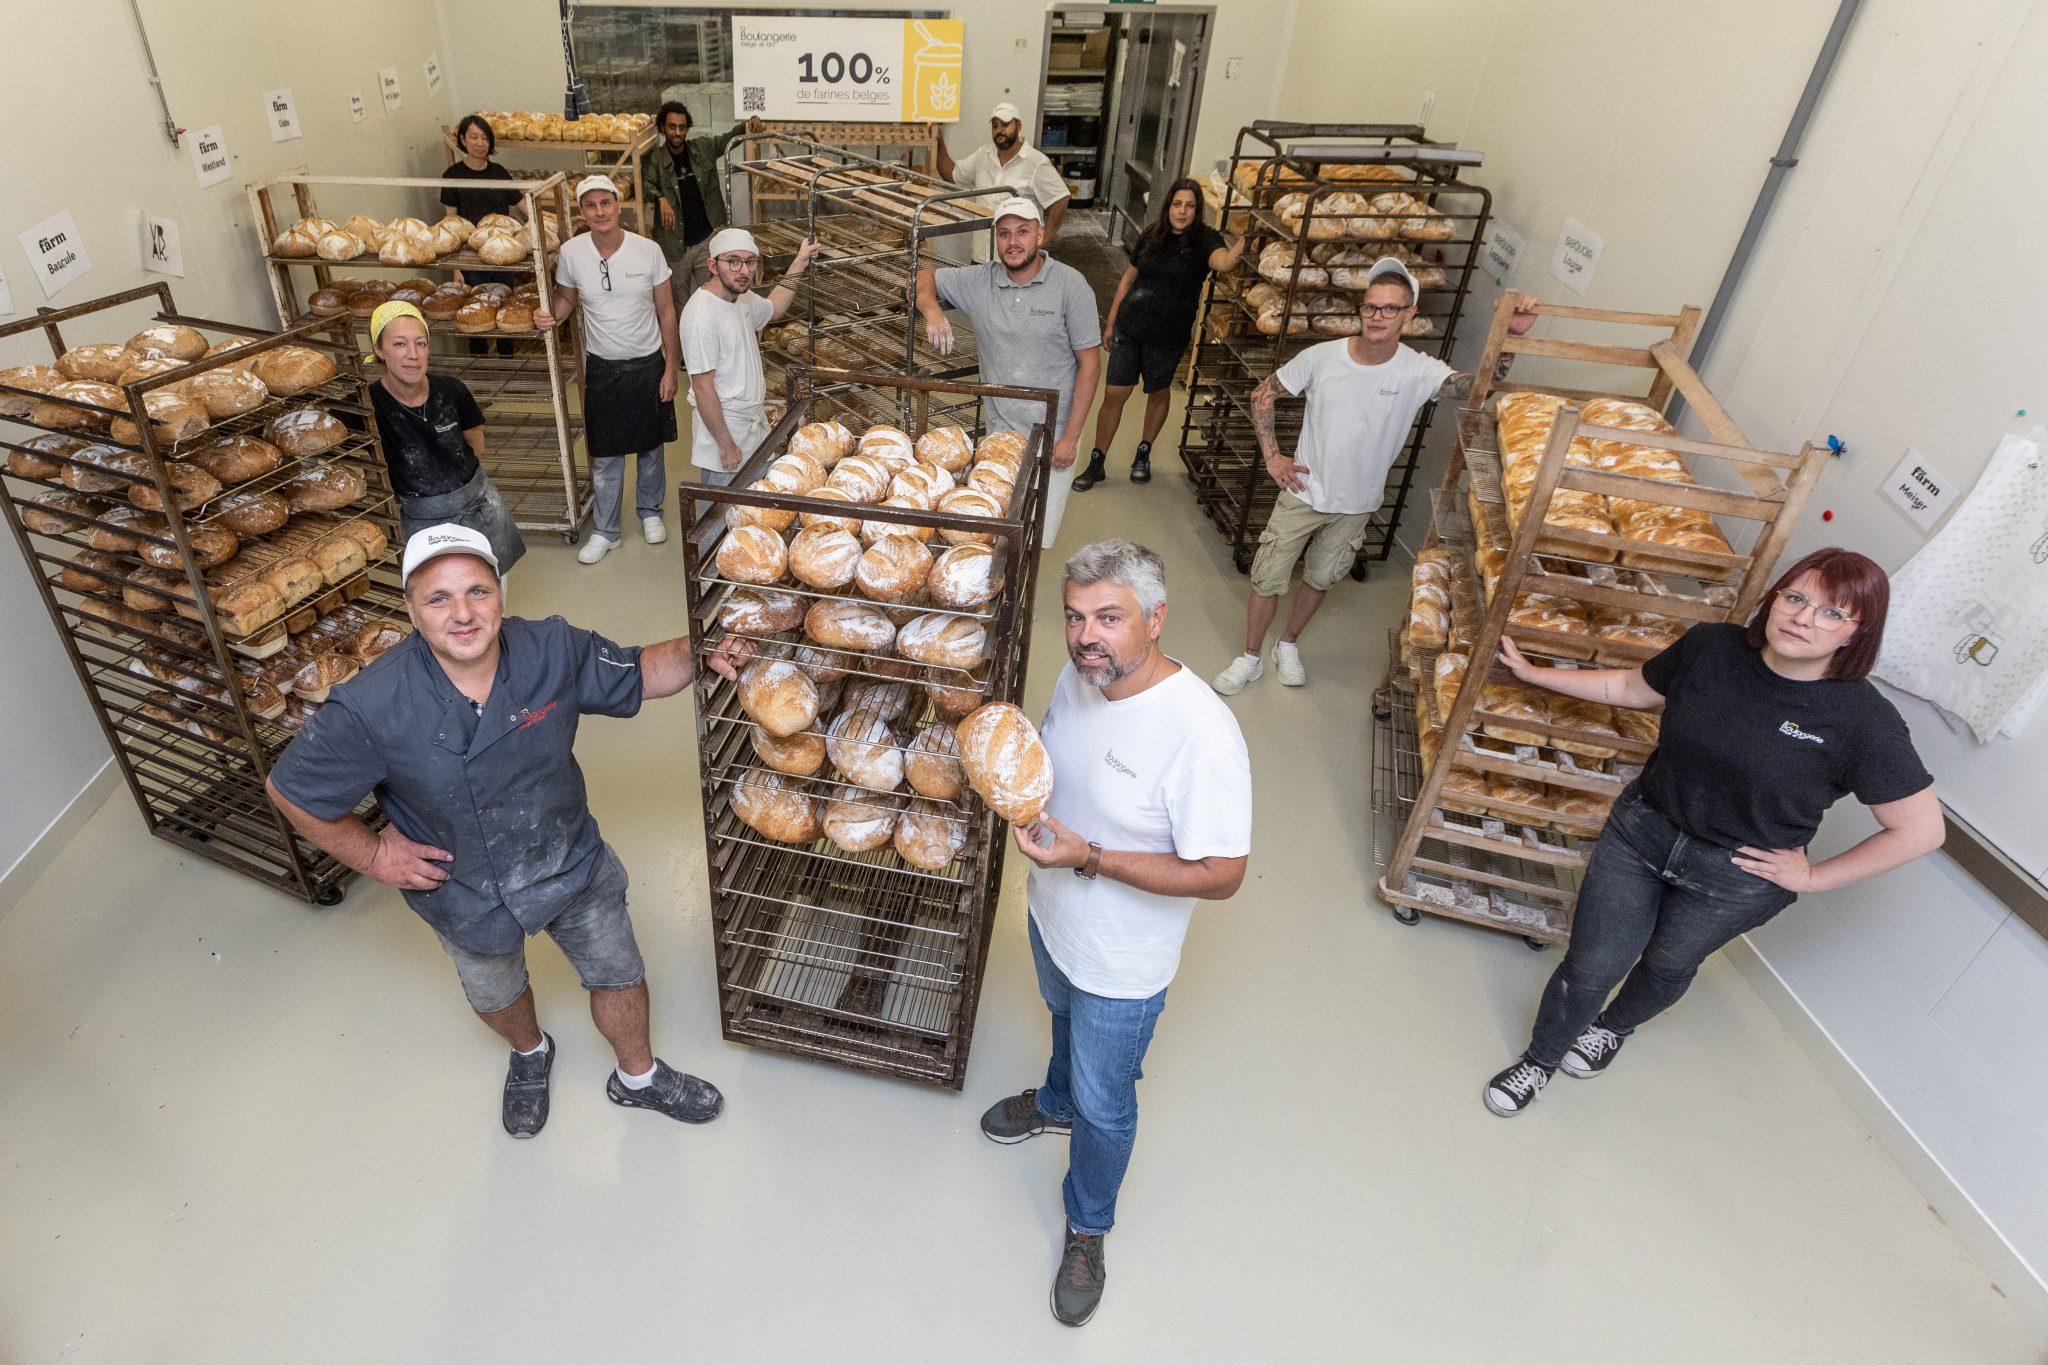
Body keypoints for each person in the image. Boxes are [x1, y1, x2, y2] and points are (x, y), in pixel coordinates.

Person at [266, 525, 749, 1138]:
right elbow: (290, 790)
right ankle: (529, 1054)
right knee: (496, 990)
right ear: (411, 609)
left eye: (478, 591)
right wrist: (375, 855)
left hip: (568, 856)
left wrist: (701, 648)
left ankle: (638, 1076)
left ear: (500, 593)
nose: (463, 613)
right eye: (438, 598)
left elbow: (637, 670)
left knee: (619, 970)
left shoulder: (550, 648)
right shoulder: (370, 704)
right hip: (463, 886)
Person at [1481, 548, 1944, 1117]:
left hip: (1736, 877)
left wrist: (1813, 877)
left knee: (1667, 964)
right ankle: (1540, 1061)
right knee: (1592, 964)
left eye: (1831, 613)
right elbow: (1633, 688)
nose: (1802, 618)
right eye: (1795, 598)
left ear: (1856, 634)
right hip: (1642, 833)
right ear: (1775, 599)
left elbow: (1920, 830)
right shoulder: (1713, 648)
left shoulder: (1863, 722)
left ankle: (1613, 1028)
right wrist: (1534, 674)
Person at [995, 539, 1252, 1326]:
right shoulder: (1082, 678)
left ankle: (1088, 1225)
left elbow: (1223, 872)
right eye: (1075, 617)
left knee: (1110, 1102)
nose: (1085, 636)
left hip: (1122, 961)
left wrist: (1093, 857)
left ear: (1156, 617)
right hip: (1052, 914)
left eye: (1109, 617)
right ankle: (1054, 1099)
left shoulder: (1200, 734)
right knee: (1060, 1019)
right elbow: (1048, 760)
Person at [1211, 268, 1535, 694]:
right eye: (1370, 306)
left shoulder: (1418, 371)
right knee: (1267, 577)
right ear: (1361, 308)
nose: (1377, 315)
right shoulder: (1323, 357)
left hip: (1358, 503)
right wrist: (1273, 456)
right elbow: (1262, 394)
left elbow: (1479, 389)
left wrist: (1510, 336)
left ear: (1408, 313)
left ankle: (1287, 645)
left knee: (1320, 578)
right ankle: (1250, 656)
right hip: (1303, 492)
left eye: (1390, 308)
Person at [915, 197, 1100, 546]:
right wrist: (932, 309)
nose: (1013, 242)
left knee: (1035, 536)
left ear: (1040, 235)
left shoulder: (1071, 286)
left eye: (1022, 231)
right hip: (1000, 435)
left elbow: (1090, 366)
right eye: (1004, 233)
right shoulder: (981, 280)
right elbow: (925, 276)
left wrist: (1071, 438)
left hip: (1051, 434)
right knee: (999, 531)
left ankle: (1022, 596)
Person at [534, 175, 681, 565]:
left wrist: (671, 369)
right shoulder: (571, 252)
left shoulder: (647, 251)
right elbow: (567, 298)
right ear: (582, 213)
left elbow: (667, 311)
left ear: (618, 206)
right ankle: (606, 530)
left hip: (648, 362)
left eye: (606, 203)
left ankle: (650, 512)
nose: (599, 211)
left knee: (651, 446)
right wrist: (551, 315)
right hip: (602, 367)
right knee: (604, 455)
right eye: (591, 205)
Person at [1072, 178, 1243, 491]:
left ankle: (1143, 453)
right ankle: (1097, 462)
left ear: (1197, 210)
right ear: (1169, 206)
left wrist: (1249, 235)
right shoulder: (1153, 234)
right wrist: (1110, 322)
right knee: (1114, 394)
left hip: (1168, 334)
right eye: (1177, 204)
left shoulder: (1205, 240)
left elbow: (1226, 262)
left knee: (1158, 391)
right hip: (1131, 325)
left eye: (1189, 206)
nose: (1182, 211)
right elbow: (1127, 279)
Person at [365, 301, 526, 576]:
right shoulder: (368, 405)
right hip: (424, 523)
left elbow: (476, 445)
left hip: (480, 511)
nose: (413, 355)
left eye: (421, 343)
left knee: (490, 598)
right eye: (400, 344)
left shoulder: (452, 391)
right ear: (379, 350)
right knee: (440, 602)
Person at [680, 227, 821, 490]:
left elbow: (774, 307)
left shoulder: (740, 299)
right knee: (719, 523)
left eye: (750, 262)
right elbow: (702, 387)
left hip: (753, 429)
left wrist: (799, 261)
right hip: (726, 432)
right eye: (733, 261)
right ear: (712, 265)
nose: (744, 271)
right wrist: (726, 444)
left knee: (753, 514)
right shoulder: (702, 317)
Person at [643, 102, 766, 306]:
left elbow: (729, 139)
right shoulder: (655, 159)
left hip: (706, 242)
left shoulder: (702, 148)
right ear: (663, 128)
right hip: (675, 248)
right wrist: (660, 198)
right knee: (679, 304)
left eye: (682, 127)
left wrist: (748, 123)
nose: (677, 132)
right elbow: (645, 184)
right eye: (672, 127)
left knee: (717, 299)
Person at [934, 104, 1072, 263]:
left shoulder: (1036, 163)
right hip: (981, 257)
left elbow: (1060, 199)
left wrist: (1042, 239)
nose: (999, 130)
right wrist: (939, 142)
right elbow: (951, 174)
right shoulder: (983, 156)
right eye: (995, 126)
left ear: (1018, 126)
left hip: (1016, 261)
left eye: (1005, 125)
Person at [440, 113, 525, 358]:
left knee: (506, 308)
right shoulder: (453, 175)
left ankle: (507, 361)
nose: (480, 142)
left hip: (502, 253)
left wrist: (545, 225)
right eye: (474, 137)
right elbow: (450, 222)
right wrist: (456, 267)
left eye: (484, 137)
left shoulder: (499, 173)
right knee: (475, 312)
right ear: (463, 140)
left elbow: (521, 205)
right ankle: (481, 364)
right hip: (472, 257)